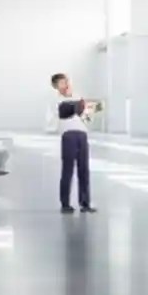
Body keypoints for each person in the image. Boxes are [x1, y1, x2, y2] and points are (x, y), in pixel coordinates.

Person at [47, 73, 97, 214]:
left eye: (67, 81)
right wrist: (76, 106)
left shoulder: (78, 96)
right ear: (56, 86)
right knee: (68, 170)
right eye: (62, 82)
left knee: (84, 170)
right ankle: (65, 204)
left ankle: (85, 203)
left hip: (82, 134)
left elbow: (87, 116)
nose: (66, 84)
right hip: (68, 135)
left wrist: (85, 108)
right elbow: (63, 113)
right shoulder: (56, 101)